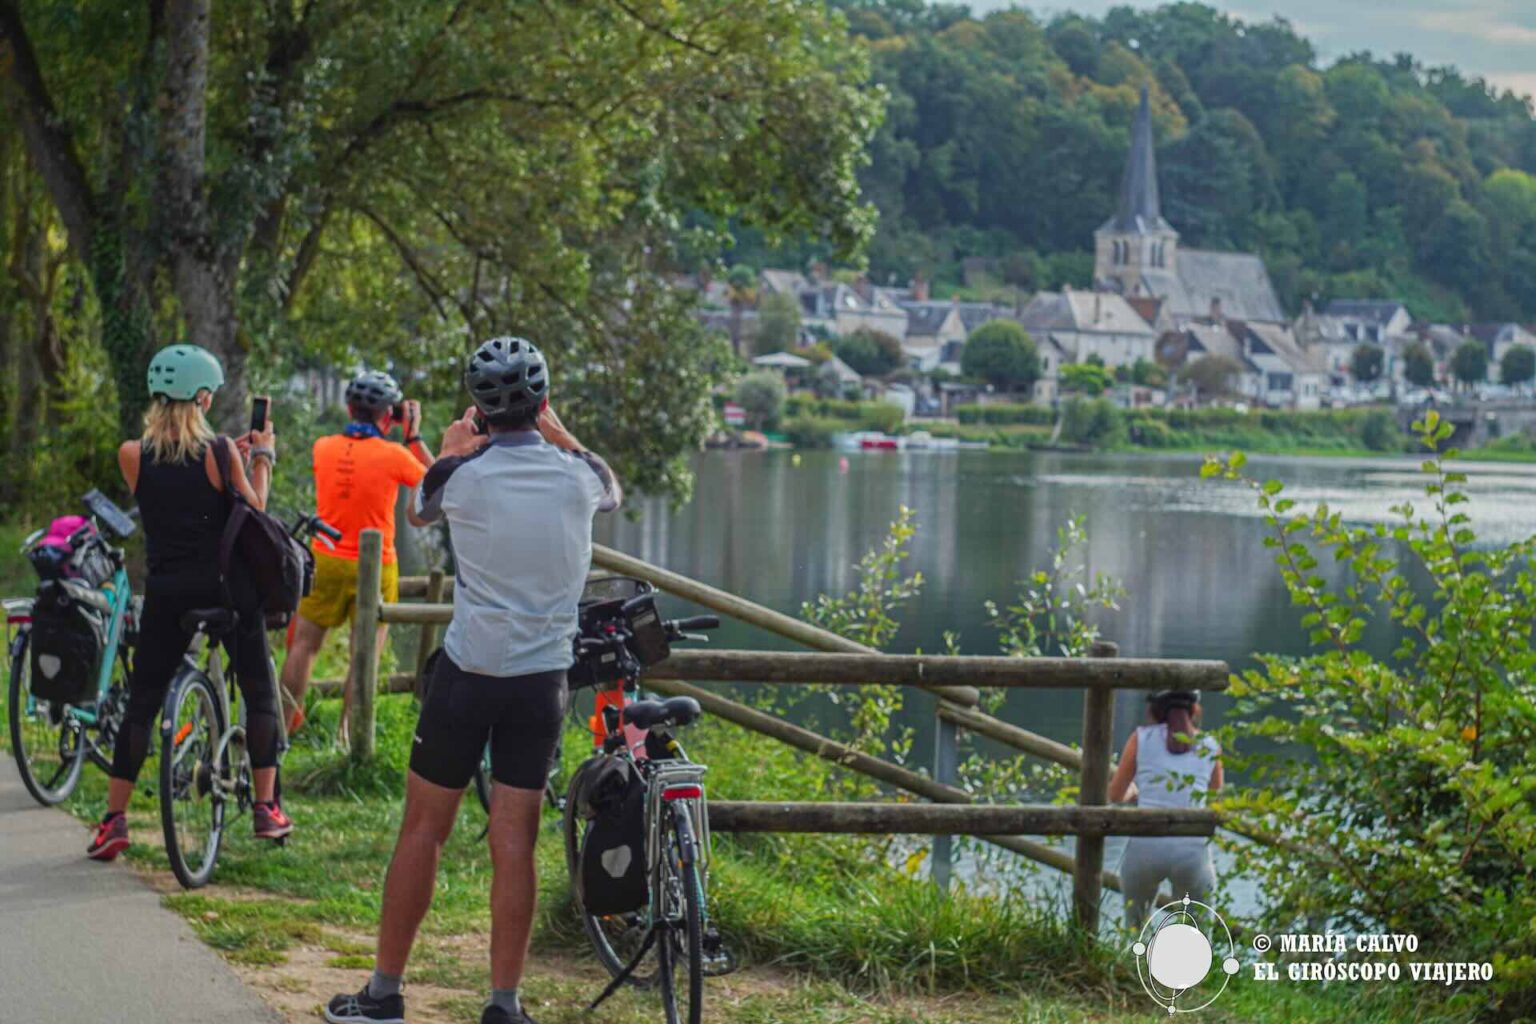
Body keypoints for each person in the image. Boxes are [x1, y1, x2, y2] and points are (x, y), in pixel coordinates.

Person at [326, 336, 620, 1024]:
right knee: (514, 840)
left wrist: (455, 446)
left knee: (422, 830)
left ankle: (384, 993)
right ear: (542, 403)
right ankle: (504, 1006)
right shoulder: (578, 479)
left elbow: (421, 509)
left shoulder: (459, 479)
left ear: (482, 412)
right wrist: (559, 430)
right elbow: (610, 484)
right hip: (542, 679)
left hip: (467, 674)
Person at [88, 344, 292, 860]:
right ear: (202, 395)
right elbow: (257, 509)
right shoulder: (221, 452)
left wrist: (232, 458)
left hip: (166, 595)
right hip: (226, 592)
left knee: (142, 703)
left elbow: (172, 501)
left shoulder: (131, 453)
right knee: (260, 691)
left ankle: (114, 821)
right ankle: (266, 809)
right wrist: (261, 457)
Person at [279, 370, 433, 740]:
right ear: (389, 415)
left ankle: (280, 733)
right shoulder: (395, 455)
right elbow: (437, 480)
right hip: (375, 564)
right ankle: (349, 738)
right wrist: (412, 435)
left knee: (303, 645)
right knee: (366, 653)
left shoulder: (323, 446)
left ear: (348, 408)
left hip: (325, 556)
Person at [1108, 689, 1224, 927]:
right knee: (1199, 932)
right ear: (1194, 710)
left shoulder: (1141, 738)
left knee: (1135, 928)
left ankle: (1138, 963)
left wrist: (1135, 794)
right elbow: (1216, 803)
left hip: (1145, 846)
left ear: (1154, 710)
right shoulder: (1210, 745)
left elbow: (1115, 794)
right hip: (1191, 851)